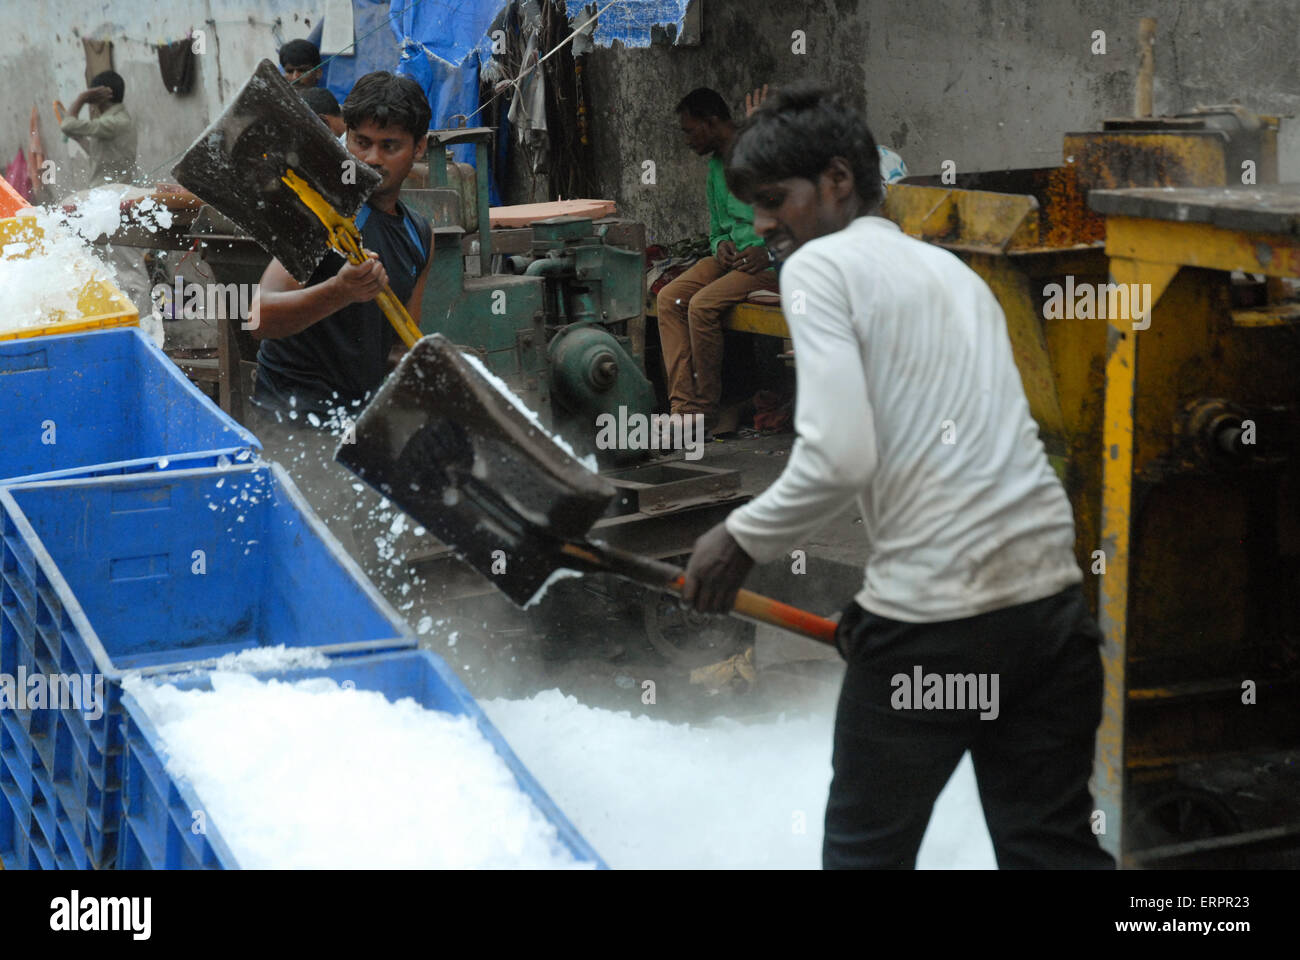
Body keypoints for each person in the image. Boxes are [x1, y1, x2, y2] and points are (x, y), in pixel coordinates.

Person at [682, 85, 1114, 870]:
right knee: (1049, 851)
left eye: (776, 201)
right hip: (1051, 614)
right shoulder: (952, 275)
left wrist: (736, 537)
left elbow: (838, 457)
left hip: (935, 629)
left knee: (864, 859)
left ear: (840, 180)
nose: (765, 224)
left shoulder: (820, 270)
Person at [247, 71, 432, 569]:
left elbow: (400, 349)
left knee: (374, 561)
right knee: (312, 564)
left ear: (419, 149)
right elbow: (258, 315)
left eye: (389, 145)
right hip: (296, 419)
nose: (371, 158)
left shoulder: (419, 234)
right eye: (361, 142)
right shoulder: (322, 215)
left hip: (359, 425)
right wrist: (338, 291)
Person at [656, 87, 777, 438]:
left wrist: (770, 251)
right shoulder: (714, 166)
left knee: (702, 306)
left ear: (711, 123)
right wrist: (720, 243)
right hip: (735, 257)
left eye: (691, 130)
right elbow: (717, 227)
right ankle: (683, 408)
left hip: (767, 264)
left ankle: (706, 409)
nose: (688, 140)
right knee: (669, 298)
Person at [55, 71, 138, 186]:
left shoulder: (112, 122)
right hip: (117, 190)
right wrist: (80, 140)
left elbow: (66, 125)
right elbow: (102, 156)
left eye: (91, 96)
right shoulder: (121, 118)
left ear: (99, 97)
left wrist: (81, 99)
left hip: (110, 192)